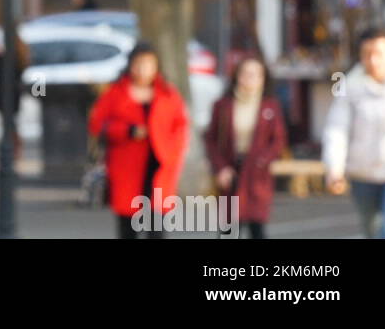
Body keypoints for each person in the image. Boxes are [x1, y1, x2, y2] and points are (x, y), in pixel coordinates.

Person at [87, 42, 188, 238]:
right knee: (128, 226)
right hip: (127, 168)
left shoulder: (167, 93)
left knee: (157, 226)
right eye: (138, 64)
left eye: (148, 64)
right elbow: (97, 124)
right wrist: (127, 131)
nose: (143, 70)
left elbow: (180, 126)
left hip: (158, 166)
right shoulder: (116, 93)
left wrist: (173, 153)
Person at [204, 57, 287, 239]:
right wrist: (221, 168)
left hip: (257, 174)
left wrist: (263, 160)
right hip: (231, 171)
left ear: (263, 79)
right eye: (245, 73)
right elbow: (210, 139)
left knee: (257, 227)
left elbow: (278, 140)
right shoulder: (223, 106)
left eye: (255, 74)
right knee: (229, 228)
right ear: (237, 76)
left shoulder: (270, 106)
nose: (250, 78)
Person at [323, 27, 385, 239]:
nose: (373, 60)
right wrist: (335, 168)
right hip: (363, 173)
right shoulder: (349, 86)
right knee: (372, 229)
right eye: (367, 54)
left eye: (378, 53)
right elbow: (337, 129)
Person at [0, 36, 30, 157]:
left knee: (9, 124)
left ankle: (13, 149)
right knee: (10, 123)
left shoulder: (11, 57)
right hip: (11, 95)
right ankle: (13, 148)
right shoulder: (20, 55)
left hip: (8, 95)